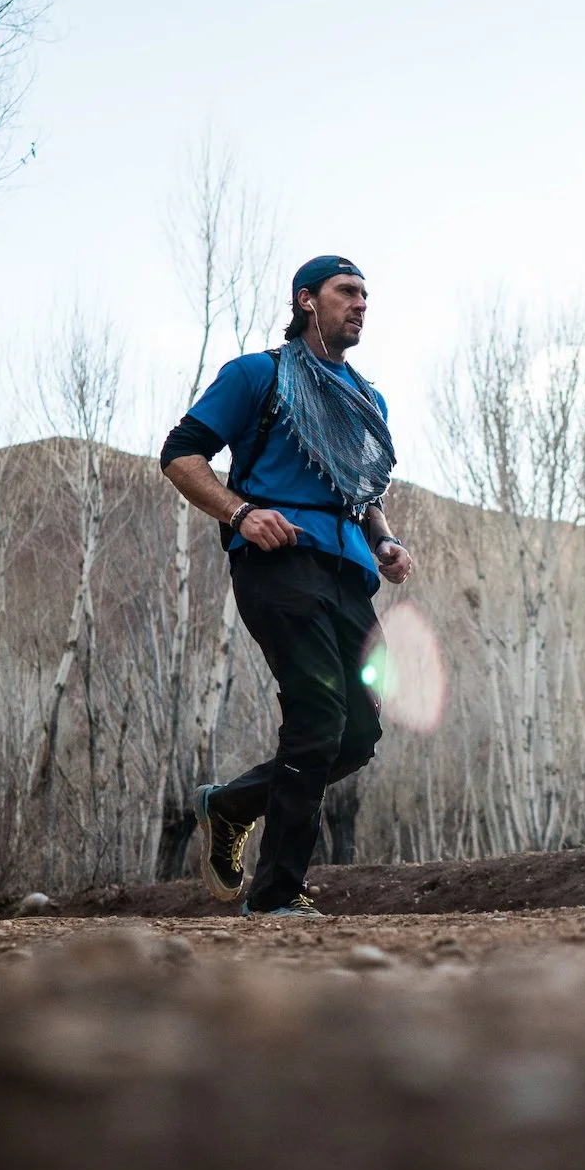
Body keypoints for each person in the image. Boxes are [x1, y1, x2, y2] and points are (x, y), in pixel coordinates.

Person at [158, 254, 412, 917]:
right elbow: (180, 456)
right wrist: (240, 512)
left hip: (348, 573)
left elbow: (362, 493)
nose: (360, 303)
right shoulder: (257, 375)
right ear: (307, 301)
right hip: (276, 566)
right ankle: (275, 896)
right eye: (345, 291)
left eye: (365, 294)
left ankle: (234, 805)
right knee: (319, 715)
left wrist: (382, 538)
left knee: (358, 733)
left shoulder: (367, 398)